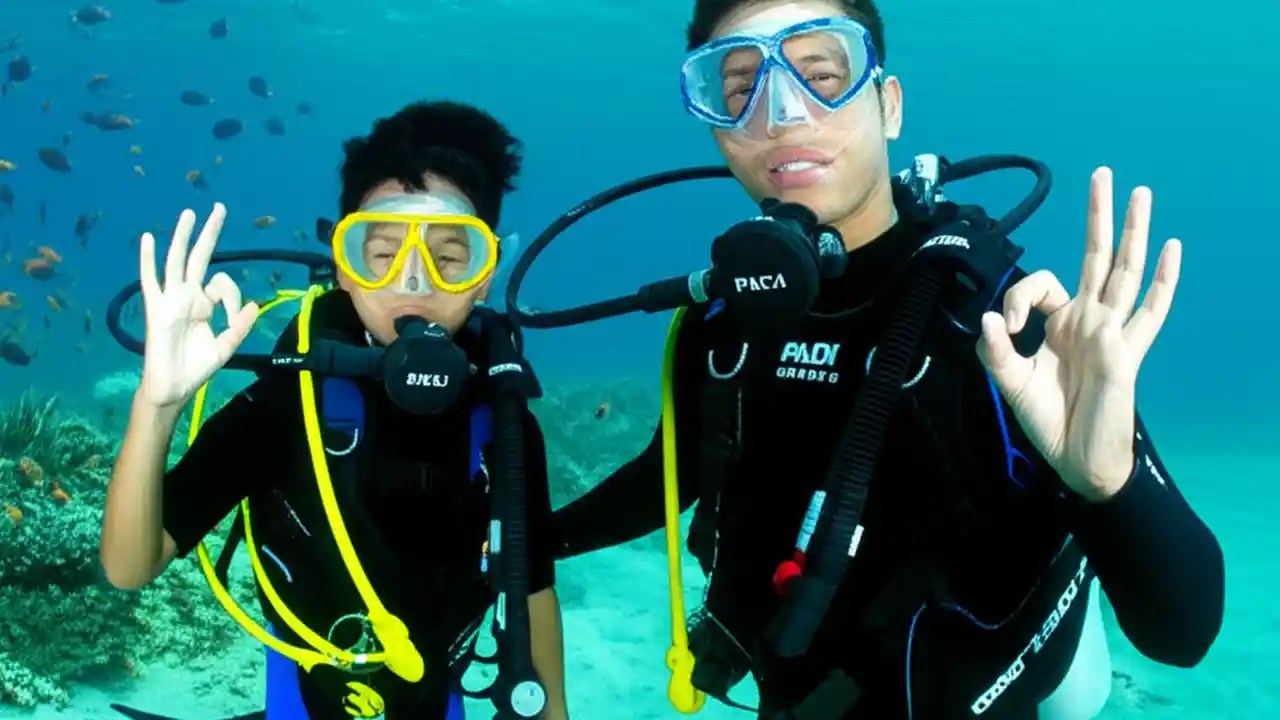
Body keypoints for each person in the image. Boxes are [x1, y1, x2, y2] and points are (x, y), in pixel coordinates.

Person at [550, 1, 1224, 718]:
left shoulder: (1003, 316)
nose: (780, 114)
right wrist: (517, 543)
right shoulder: (717, 325)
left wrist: (1109, 485)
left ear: (889, 105)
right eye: (741, 88)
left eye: (822, 73)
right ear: (717, 127)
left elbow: (1182, 634)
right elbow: (669, 474)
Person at [100, 100, 569, 720]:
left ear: (484, 277)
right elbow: (131, 567)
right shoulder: (285, 403)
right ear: (343, 268)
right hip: (302, 694)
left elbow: (532, 591)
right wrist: (157, 405)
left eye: (451, 257)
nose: (413, 281)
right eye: (381, 252)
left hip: (437, 694)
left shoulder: (502, 422)